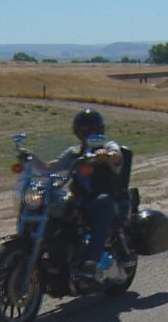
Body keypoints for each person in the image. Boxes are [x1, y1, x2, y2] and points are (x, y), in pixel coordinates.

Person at [31, 108, 124, 275]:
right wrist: (30, 157)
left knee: (103, 203)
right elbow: (51, 166)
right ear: (77, 132)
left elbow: (116, 155)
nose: (87, 133)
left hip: (102, 197)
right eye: (83, 130)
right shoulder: (74, 153)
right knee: (51, 203)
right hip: (79, 198)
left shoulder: (107, 146)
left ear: (100, 130)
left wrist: (106, 156)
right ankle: (45, 252)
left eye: (92, 130)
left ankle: (92, 259)